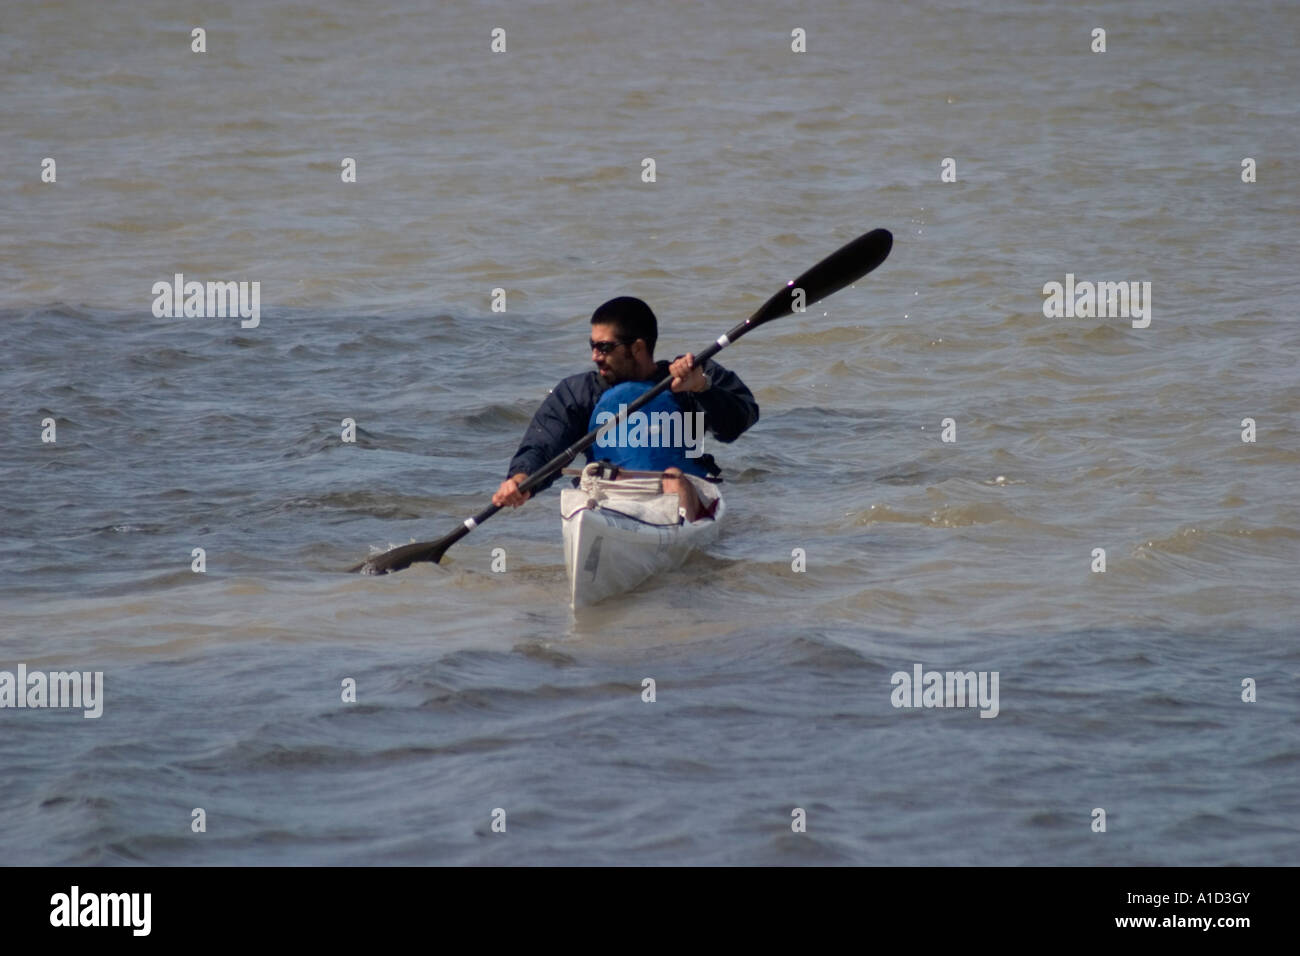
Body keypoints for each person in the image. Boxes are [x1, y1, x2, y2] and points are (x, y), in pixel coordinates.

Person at [492, 296, 758, 520]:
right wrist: (521, 479)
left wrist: (702, 387)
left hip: (679, 491)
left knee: (674, 477)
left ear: (638, 348)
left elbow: (738, 422)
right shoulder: (579, 393)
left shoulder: (690, 376)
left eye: (604, 347)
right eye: (592, 346)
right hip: (610, 493)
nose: (594, 356)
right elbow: (544, 444)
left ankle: (677, 556)